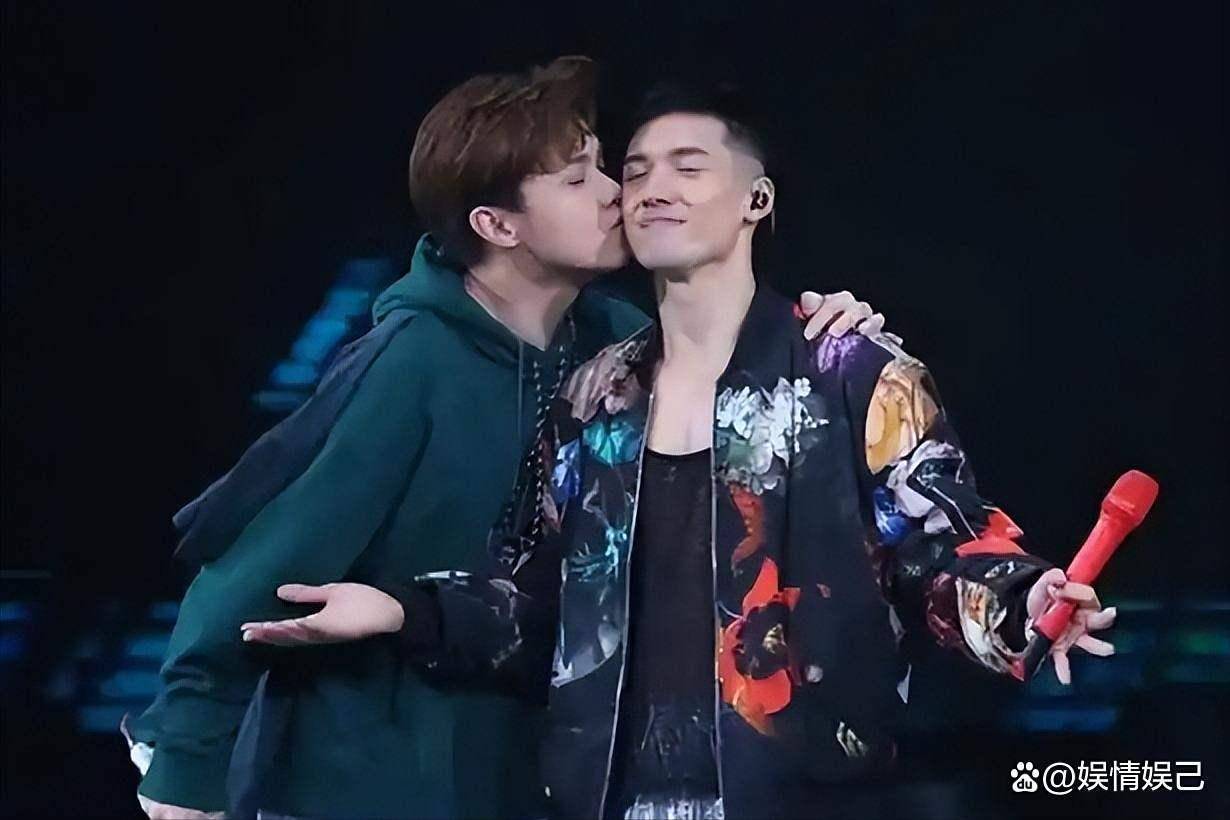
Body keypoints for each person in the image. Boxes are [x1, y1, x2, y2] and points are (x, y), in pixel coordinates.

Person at [248, 82, 1118, 819]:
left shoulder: (851, 371)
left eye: (688, 167)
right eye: (634, 172)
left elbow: (941, 550)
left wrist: (1026, 599)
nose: (652, 188)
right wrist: (401, 611)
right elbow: (540, 606)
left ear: (756, 201)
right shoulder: (594, 398)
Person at [131, 60, 884, 820]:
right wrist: (185, 771)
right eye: (577, 179)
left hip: (534, 774)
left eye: (604, 166)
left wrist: (828, 334)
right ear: (498, 226)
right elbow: (258, 568)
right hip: (377, 776)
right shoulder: (412, 364)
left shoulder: (619, 351)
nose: (615, 194)